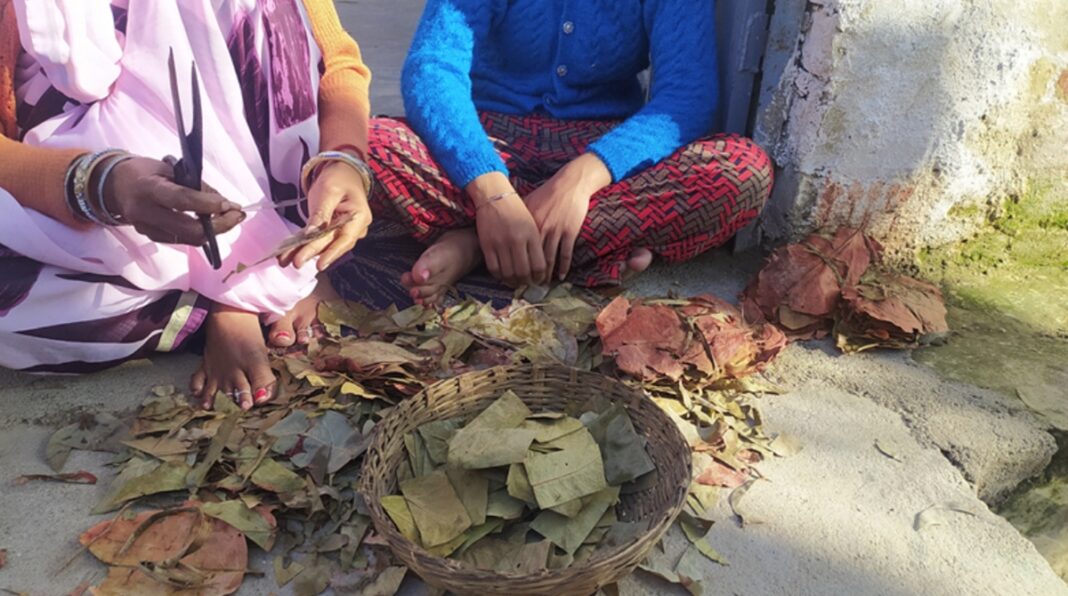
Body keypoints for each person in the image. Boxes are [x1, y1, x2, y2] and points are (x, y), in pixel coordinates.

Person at [0, 0, 374, 410]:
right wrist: (102, 185)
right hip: (92, 214)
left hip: (269, 192)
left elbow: (337, 64)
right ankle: (218, 298)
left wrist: (343, 160)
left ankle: (271, 265)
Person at [365, 0, 774, 305]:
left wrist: (579, 181)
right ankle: (576, 248)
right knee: (364, 150)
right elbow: (433, 66)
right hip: (486, 139)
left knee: (741, 171)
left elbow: (686, 95)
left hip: (602, 157)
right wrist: (490, 191)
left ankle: (478, 245)